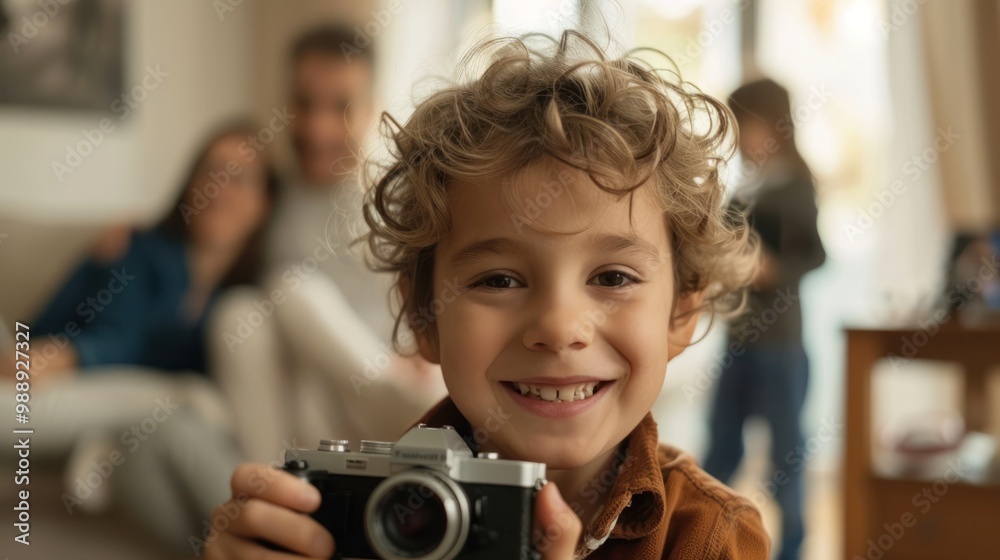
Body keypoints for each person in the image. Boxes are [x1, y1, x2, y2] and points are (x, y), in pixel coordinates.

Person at [203, 30, 771, 560]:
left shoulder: (710, 536)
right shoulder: (359, 519)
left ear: (682, 310)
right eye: (498, 280)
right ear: (422, 318)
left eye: (613, 278)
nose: (558, 324)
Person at [1, 121, 279, 549]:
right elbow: (119, 333)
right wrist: (68, 356)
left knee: (168, 425)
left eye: (238, 178)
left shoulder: (241, 301)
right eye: (209, 171)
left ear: (264, 204)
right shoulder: (142, 248)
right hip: (55, 372)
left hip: (135, 416)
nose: (219, 187)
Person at [209, 25, 444, 465]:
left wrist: (425, 345)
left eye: (341, 107)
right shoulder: (264, 197)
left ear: (372, 110)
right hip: (302, 413)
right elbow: (197, 255)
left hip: (397, 393)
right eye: (303, 104)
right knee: (236, 313)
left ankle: (383, 396)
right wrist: (136, 235)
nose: (317, 128)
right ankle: (273, 491)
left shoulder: (404, 198)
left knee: (291, 287)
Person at [702, 78, 826, 560]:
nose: (740, 139)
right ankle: (702, 536)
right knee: (720, 448)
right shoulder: (743, 187)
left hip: (781, 347)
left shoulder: (796, 186)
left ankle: (792, 548)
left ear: (775, 125)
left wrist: (774, 270)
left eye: (745, 126)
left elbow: (817, 255)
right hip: (738, 341)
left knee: (786, 460)